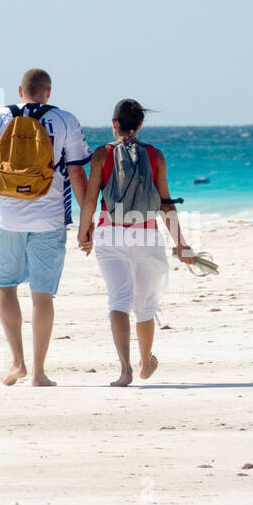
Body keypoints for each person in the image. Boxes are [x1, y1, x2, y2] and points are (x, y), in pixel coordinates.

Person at [0, 68, 91, 386]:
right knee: (42, 296)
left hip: (8, 217)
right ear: (48, 92)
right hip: (50, 218)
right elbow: (78, 174)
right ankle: (39, 373)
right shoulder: (66, 120)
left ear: (19, 90)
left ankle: (17, 363)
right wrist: (86, 221)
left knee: (5, 286)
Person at [76, 99, 196, 386]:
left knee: (119, 298)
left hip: (110, 233)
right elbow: (166, 204)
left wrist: (83, 232)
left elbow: (91, 199)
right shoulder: (155, 156)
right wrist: (181, 244)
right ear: (141, 125)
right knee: (145, 301)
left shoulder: (103, 155)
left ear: (113, 123)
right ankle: (144, 362)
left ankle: (125, 370)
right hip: (146, 234)